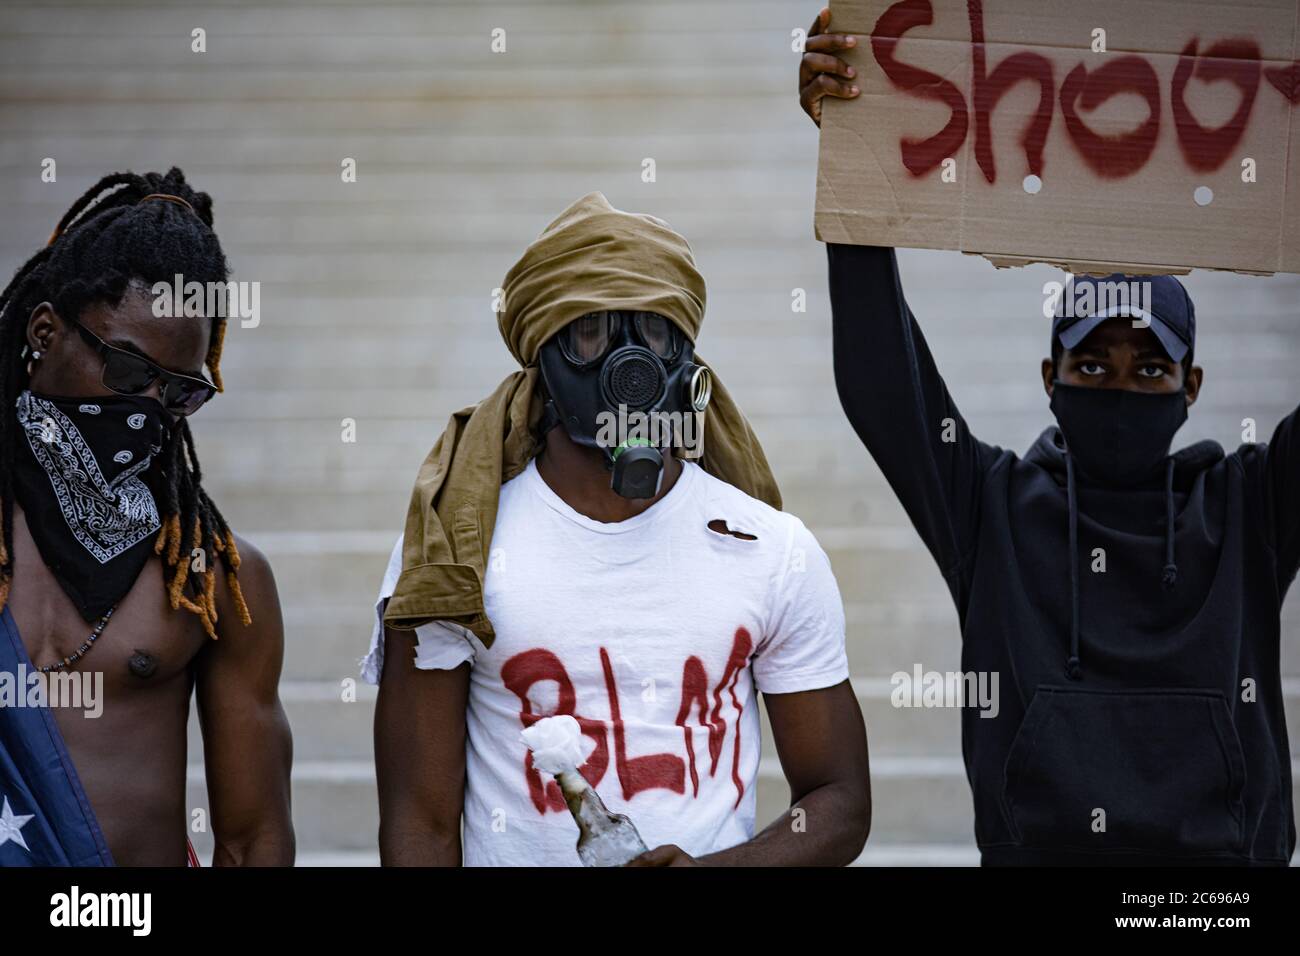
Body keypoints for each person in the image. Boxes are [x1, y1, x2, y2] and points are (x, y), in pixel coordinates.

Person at [800, 8, 1296, 865]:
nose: (1119, 385)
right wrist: (857, 152)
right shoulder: (991, 507)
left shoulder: (1250, 508)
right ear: (1048, 380)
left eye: (1149, 370)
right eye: (1092, 367)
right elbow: (884, 384)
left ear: (1194, 389)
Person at [366, 192, 870, 866]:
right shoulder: (454, 555)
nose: (628, 365)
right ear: (544, 357)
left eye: (655, 333)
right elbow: (417, 827)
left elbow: (838, 798)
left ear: (688, 356)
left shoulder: (771, 551)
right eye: (592, 334)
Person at [0, 170, 293, 866]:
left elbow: (254, 840)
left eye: (179, 393)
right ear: (46, 330)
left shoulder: (218, 578)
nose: (149, 410)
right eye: (130, 375)